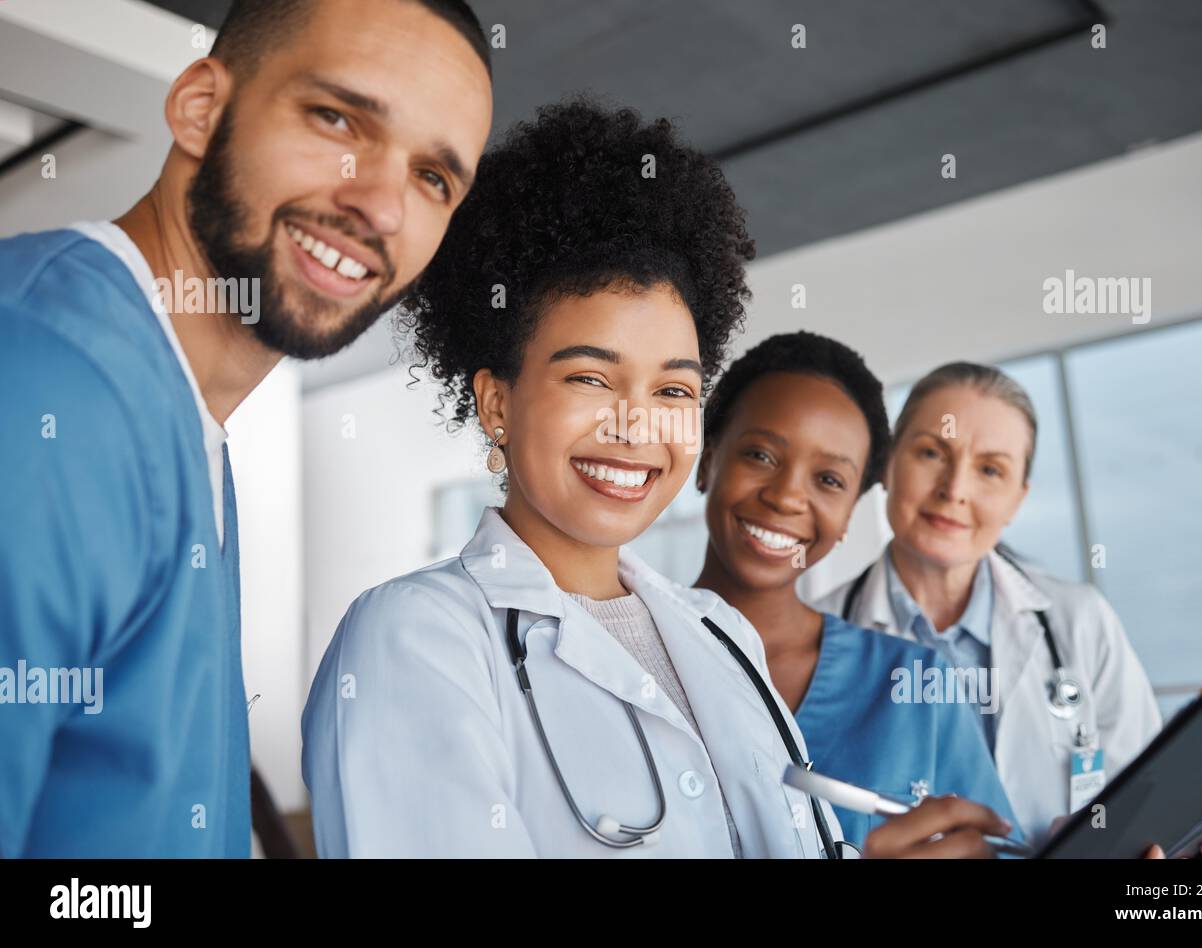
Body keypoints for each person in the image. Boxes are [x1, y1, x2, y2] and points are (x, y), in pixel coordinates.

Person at [302, 99, 1014, 858]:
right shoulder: (415, 637)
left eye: (673, 391)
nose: (637, 427)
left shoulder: (718, 635)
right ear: (497, 401)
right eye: (589, 378)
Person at [0, 0, 493, 857]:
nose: (380, 205)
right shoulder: (43, 381)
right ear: (201, 107)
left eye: (432, 179)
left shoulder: (190, 428)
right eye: (337, 117)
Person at [812, 362, 1202, 858]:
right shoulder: (813, 639)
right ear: (888, 463)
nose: (955, 489)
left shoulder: (1080, 621)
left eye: (990, 469)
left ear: (1017, 499)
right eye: (930, 453)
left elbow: (1144, 808)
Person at [692, 333, 1022, 853]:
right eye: (760, 454)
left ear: (849, 514)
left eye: (828, 479)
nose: (785, 497)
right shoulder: (618, 657)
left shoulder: (918, 684)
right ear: (707, 460)